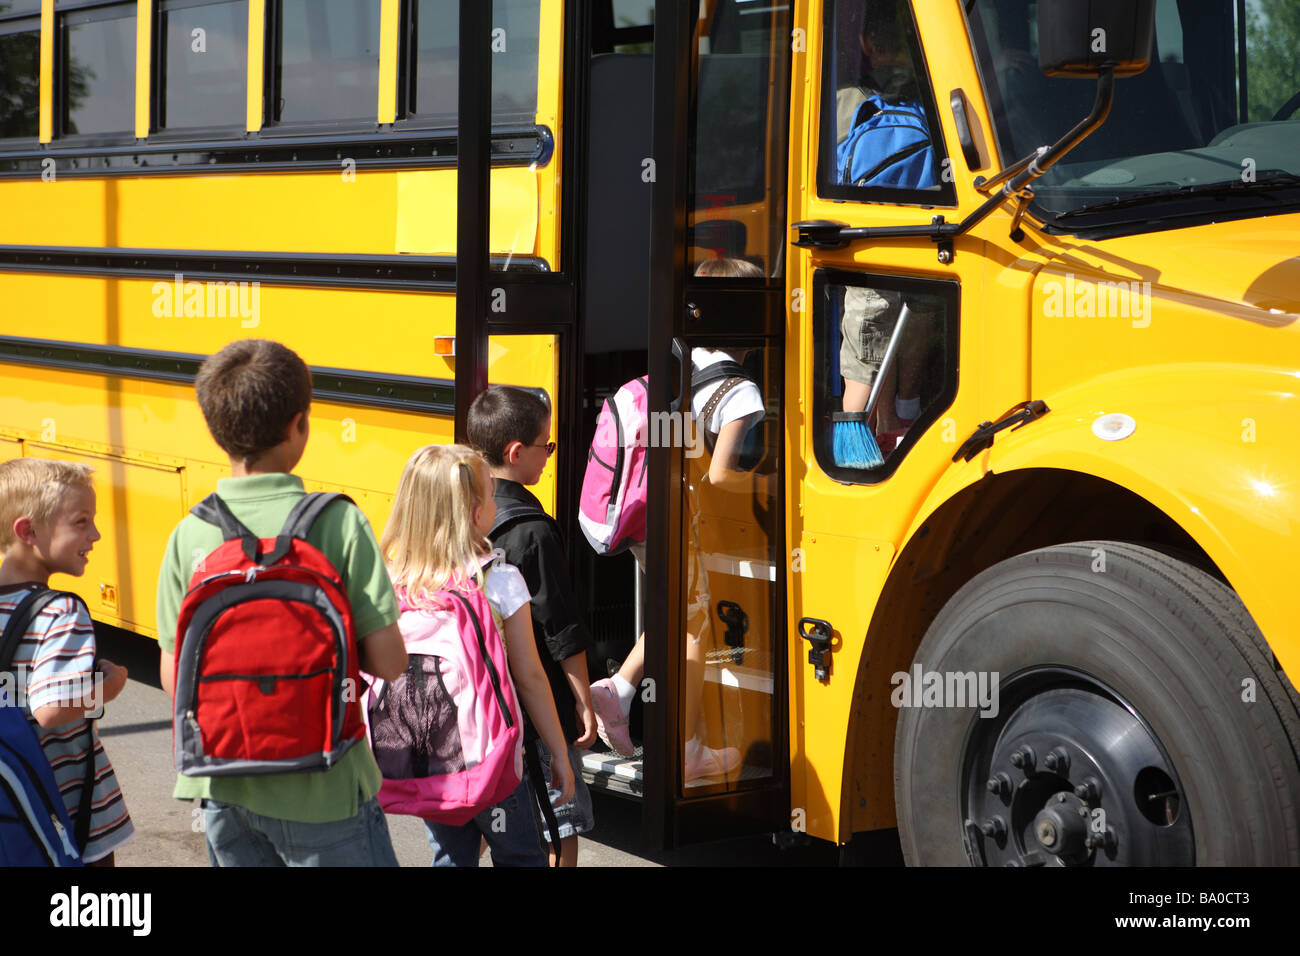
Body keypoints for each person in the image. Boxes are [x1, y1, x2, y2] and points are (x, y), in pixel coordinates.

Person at [155, 339, 409, 867]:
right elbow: (388, 661)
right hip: (327, 784)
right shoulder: (338, 522)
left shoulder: (191, 532)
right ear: (301, 425)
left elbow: (174, 673)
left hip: (222, 787)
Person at [590, 257, 767, 785]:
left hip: (652, 515)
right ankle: (687, 751)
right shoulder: (741, 390)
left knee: (677, 614)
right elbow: (718, 475)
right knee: (693, 630)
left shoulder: (686, 358)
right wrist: (768, 485)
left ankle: (619, 688)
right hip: (686, 521)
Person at [381, 443, 575, 867]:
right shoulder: (499, 579)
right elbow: (530, 678)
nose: (495, 504)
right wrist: (559, 752)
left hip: (427, 753)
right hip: (492, 761)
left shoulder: (393, 580)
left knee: (450, 855)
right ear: (473, 513)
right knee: (522, 854)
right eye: (490, 495)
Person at [467, 385, 597, 867]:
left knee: (490, 819)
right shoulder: (534, 530)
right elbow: (560, 628)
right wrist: (582, 701)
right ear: (516, 453)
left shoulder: (463, 516)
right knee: (560, 826)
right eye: (547, 444)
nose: (549, 455)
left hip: (481, 709)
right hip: (535, 711)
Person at [0, 458, 134, 865]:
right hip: (69, 812)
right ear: (28, 531)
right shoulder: (59, 611)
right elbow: (52, 708)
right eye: (81, 521)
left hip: (13, 809)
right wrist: (111, 685)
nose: (95, 535)